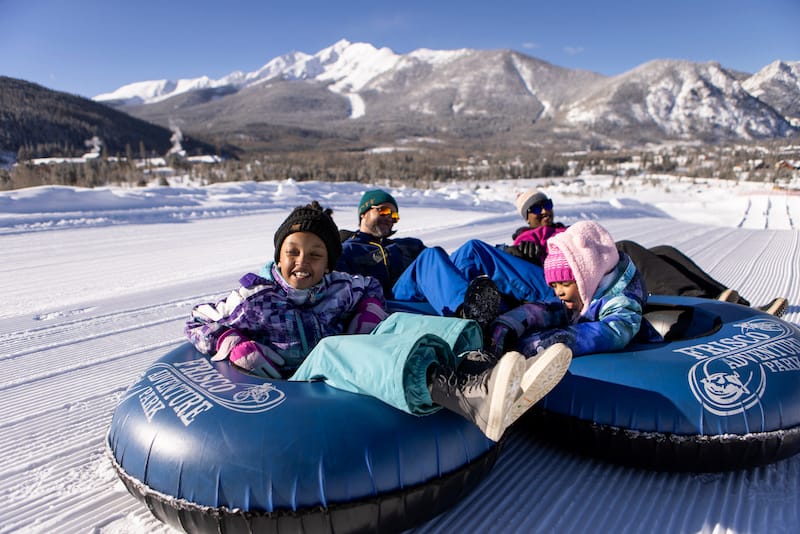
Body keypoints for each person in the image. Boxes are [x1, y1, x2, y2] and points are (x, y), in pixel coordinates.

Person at [184, 201, 572, 442]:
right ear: (278, 254)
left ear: (328, 261)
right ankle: (469, 400)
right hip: (299, 378)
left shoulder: (338, 286)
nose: (303, 262)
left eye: (316, 255)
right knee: (334, 347)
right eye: (293, 252)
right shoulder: (257, 296)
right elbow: (199, 319)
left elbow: (368, 287)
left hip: (345, 361)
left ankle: (482, 367)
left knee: (394, 323)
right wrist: (236, 344)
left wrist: (370, 314)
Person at [506, 189, 789, 317]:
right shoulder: (528, 238)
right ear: (527, 217)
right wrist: (517, 251)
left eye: (547, 205)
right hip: (579, 278)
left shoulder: (560, 227)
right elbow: (517, 259)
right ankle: (701, 301)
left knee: (665, 251)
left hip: (594, 264)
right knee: (627, 249)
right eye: (536, 209)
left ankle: (741, 303)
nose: (544, 212)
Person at [337, 189, 557, 328]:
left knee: (473, 249)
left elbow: (446, 267)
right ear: (364, 213)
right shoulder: (349, 249)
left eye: (394, 215)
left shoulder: (406, 244)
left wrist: (508, 250)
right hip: (392, 297)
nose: (390, 219)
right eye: (384, 211)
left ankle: (556, 296)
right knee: (429, 257)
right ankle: (469, 313)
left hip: (428, 288)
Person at [488, 221, 655, 361]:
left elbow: (615, 332)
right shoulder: (581, 299)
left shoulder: (621, 301)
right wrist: (510, 323)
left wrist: (555, 341)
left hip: (638, 362)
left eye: (565, 284)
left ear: (588, 277)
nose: (559, 292)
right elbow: (547, 311)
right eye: (554, 286)